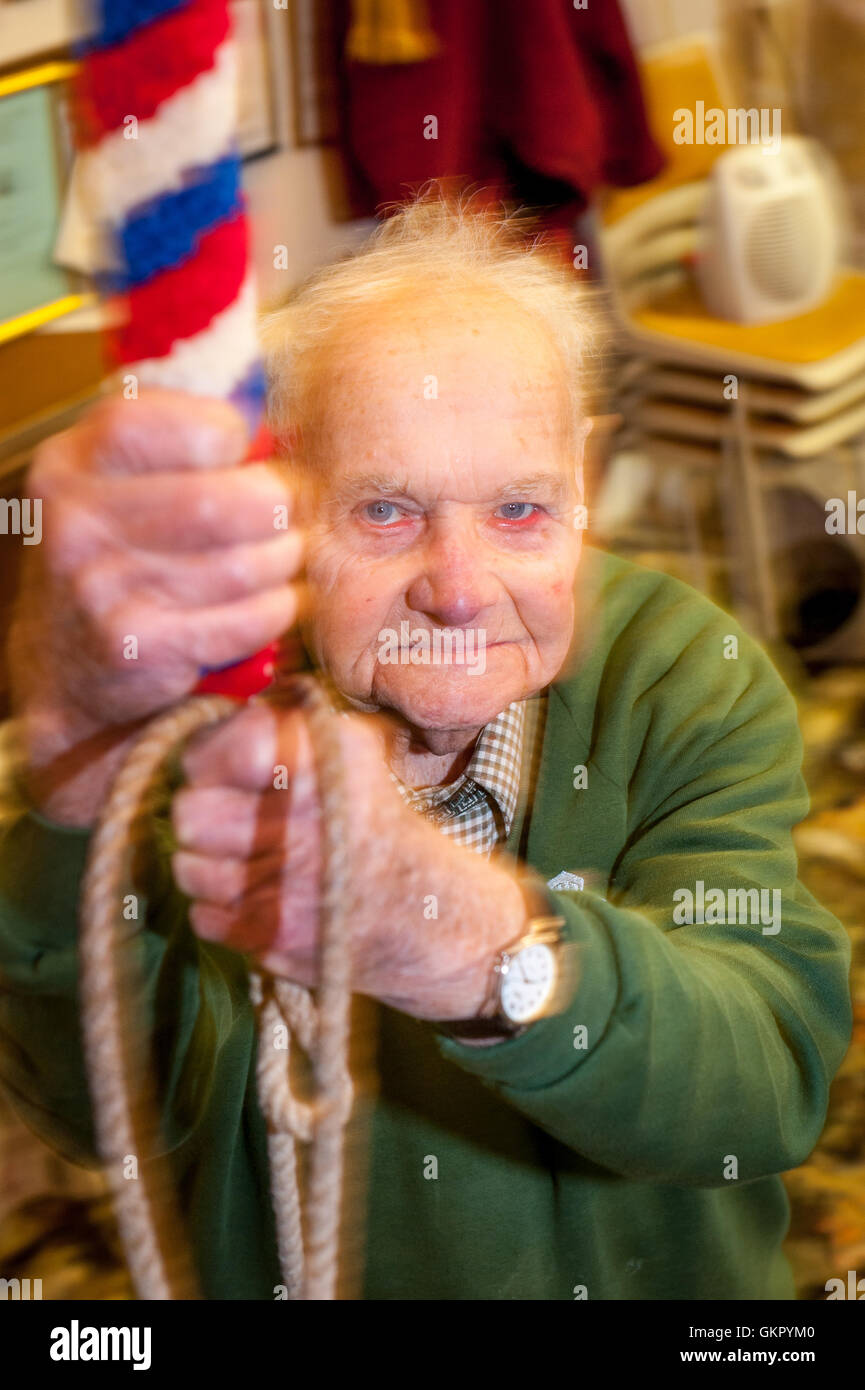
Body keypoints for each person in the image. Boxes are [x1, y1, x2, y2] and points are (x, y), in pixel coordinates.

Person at [0, 198, 852, 1300]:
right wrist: (77, 768)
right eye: (388, 509)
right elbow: (98, 1107)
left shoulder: (682, 676)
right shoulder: (203, 710)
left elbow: (763, 1084)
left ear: (582, 484)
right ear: (287, 497)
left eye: (517, 509)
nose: (457, 590)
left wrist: (444, 933)